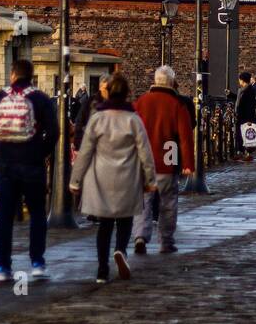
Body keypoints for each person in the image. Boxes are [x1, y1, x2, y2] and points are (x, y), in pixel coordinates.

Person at [71, 72, 157, 283]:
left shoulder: (98, 119)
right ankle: (120, 250)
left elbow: (86, 152)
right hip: (127, 177)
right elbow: (145, 152)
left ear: (108, 93)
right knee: (125, 220)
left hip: (101, 178)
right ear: (127, 93)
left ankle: (102, 270)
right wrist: (150, 180)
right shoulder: (133, 120)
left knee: (105, 225)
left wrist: (76, 180)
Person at [0, 58, 59, 283]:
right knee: (36, 213)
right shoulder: (40, 98)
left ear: (13, 74)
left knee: (4, 215)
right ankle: (37, 263)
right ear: (31, 75)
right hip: (32, 162)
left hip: (5, 162)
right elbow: (53, 132)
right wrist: (39, 152)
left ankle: (2, 266)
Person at [133, 65, 194, 253]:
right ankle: (166, 240)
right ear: (171, 82)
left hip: (144, 162)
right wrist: (188, 164)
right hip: (168, 161)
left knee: (143, 201)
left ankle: (140, 235)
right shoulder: (176, 104)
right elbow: (185, 136)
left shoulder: (141, 102)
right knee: (168, 203)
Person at [234, 72, 256, 162]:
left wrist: (250, 119)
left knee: (246, 135)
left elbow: (250, 105)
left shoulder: (249, 90)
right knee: (240, 134)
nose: (239, 81)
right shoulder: (242, 90)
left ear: (242, 80)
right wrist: (230, 94)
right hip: (241, 116)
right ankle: (241, 152)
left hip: (246, 117)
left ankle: (247, 154)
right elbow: (239, 100)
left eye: (239, 79)